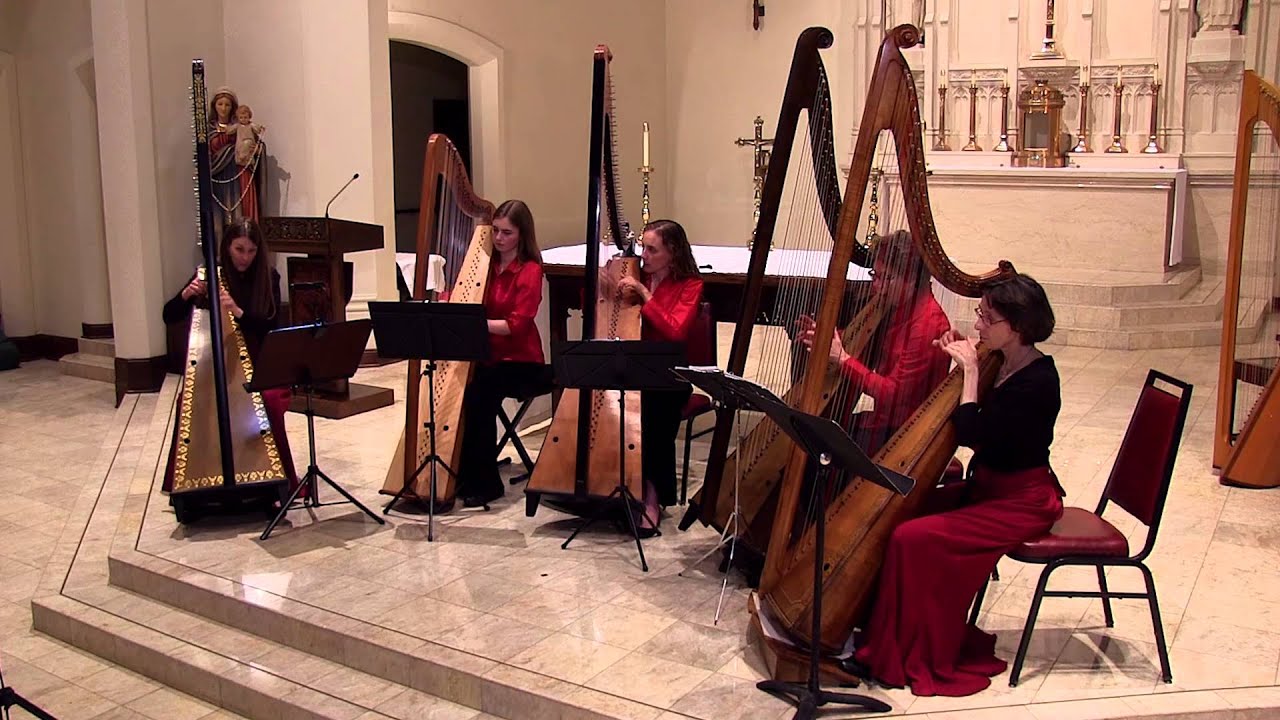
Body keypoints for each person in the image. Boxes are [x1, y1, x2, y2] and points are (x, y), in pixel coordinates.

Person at [846, 273, 1062, 697]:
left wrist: (969, 371)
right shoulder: (1006, 361)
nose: (979, 326)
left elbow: (972, 432)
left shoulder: (1038, 383)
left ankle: (909, 653)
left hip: (1022, 501)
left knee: (914, 537)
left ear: (1016, 327)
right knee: (908, 510)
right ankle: (884, 637)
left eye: (987, 318)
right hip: (990, 489)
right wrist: (969, 361)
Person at [161, 218, 299, 495]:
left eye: (251, 250)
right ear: (227, 247)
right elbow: (169, 315)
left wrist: (237, 310)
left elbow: (269, 326)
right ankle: (195, 478)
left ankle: (273, 480)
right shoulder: (211, 274)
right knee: (187, 402)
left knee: (268, 402)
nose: (245, 257)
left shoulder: (268, 277)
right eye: (239, 249)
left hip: (257, 363)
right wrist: (187, 294)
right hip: (218, 364)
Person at [796, 229, 952, 455]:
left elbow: (892, 394)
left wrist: (843, 359)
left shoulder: (927, 325)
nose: (876, 286)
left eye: (885, 277)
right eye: (874, 275)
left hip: (904, 432)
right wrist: (829, 337)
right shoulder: (896, 307)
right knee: (808, 429)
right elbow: (865, 340)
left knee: (814, 442)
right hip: (882, 421)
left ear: (911, 278)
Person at [602, 219, 704, 533]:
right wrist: (602, 280)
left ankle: (651, 494)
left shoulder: (691, 285)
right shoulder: (634, 274)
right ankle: (610, 483)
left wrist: (646, 294)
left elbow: (675, 330)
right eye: (643, 247)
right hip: (636, 371)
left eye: (652, 249)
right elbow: (603, 306)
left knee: (654, 412)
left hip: (671, 376)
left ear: (672, 252)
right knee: (610, 401)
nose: (643, 255)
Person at [454, 200, 549, 508]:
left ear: (522, 235)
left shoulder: (530, 271)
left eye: (506, 232)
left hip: (521, 362)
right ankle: (465, 473)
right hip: (487, 356)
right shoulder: (485, 267)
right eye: (495, 230)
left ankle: (486, 484)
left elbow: (517, 326)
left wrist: (476, 326)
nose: (498, 238)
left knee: (480, 396)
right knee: (464, 391)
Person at [207, 87, 260, 237]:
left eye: (227, 105)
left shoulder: (242, 127)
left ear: (233, 108)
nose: (223, 108)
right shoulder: (210, 129)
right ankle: (219, 254)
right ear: (214, 106)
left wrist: (254, 149)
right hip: (218, 175)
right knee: (219, 221)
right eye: (220, 104)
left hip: (238, 172)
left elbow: (253, 143)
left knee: (240, 215)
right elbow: (208, 151)